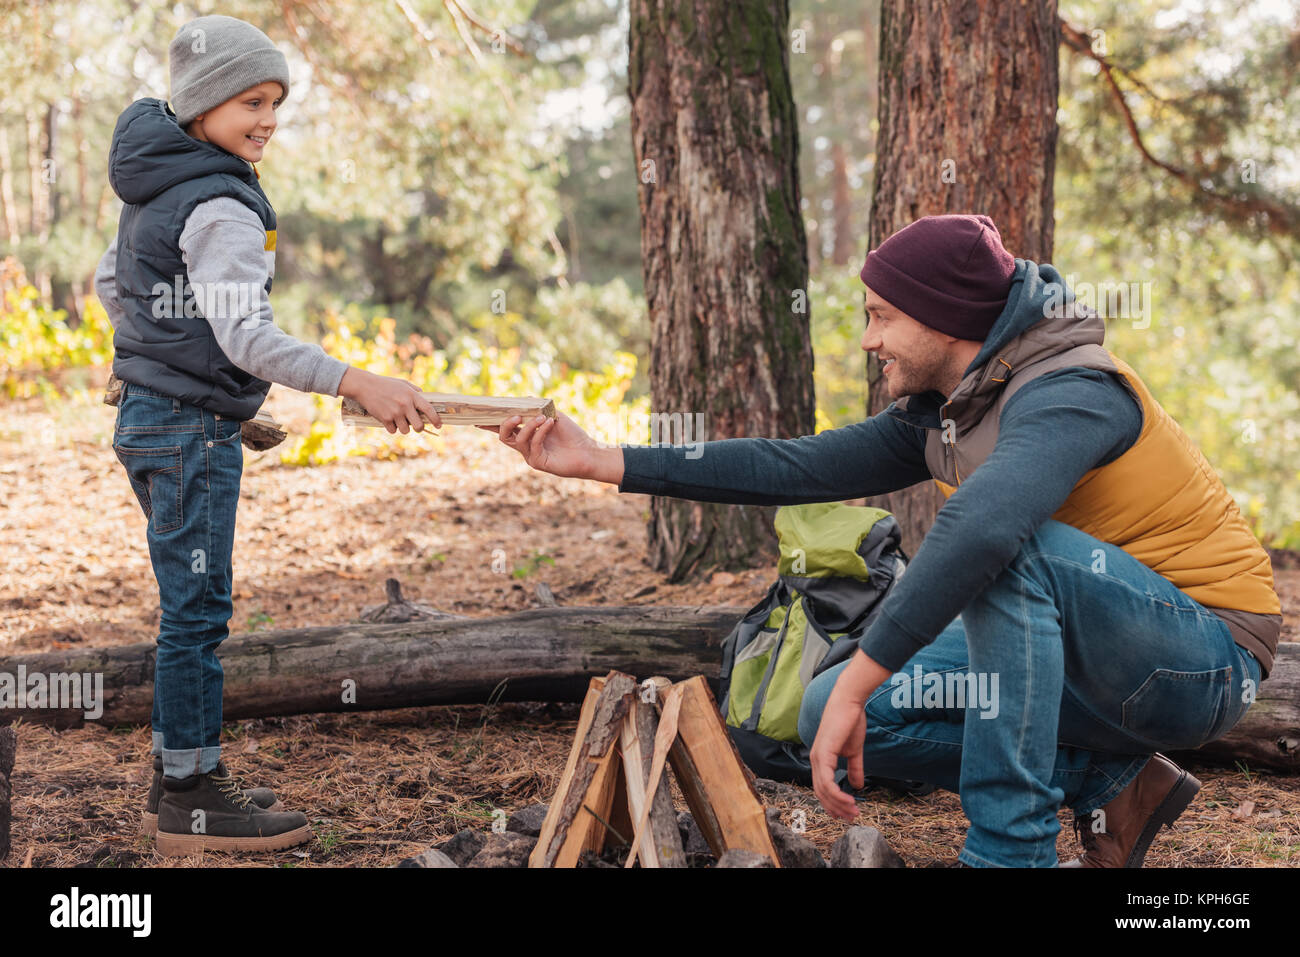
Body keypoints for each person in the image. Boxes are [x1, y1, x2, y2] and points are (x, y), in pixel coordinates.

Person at [484, 213, 1282, 868]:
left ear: (945, 316)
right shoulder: (949, 409)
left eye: (881, 317)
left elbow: (987, 529)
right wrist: (597, 461)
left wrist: (868, 674)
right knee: (826, 701)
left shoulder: (1074, 391)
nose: (869, 340)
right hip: (1087, 661)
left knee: (998, 547)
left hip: (1202, 657)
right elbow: (791, 465)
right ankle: (1113, 783)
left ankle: (1009, 852)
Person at [95, 14, 441, 856]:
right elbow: (246, 336)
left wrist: (177, 382)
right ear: (203, 104)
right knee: (197, 610)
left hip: (154, 419)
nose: (267, 120)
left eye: (276, 104)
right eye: (251, 100)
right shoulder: (220, 201)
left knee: (189, 602)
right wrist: (357, 380)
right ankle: (189, 796)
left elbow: (114, 284)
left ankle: (181, 772)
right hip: (185, 432)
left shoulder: (157, 184)